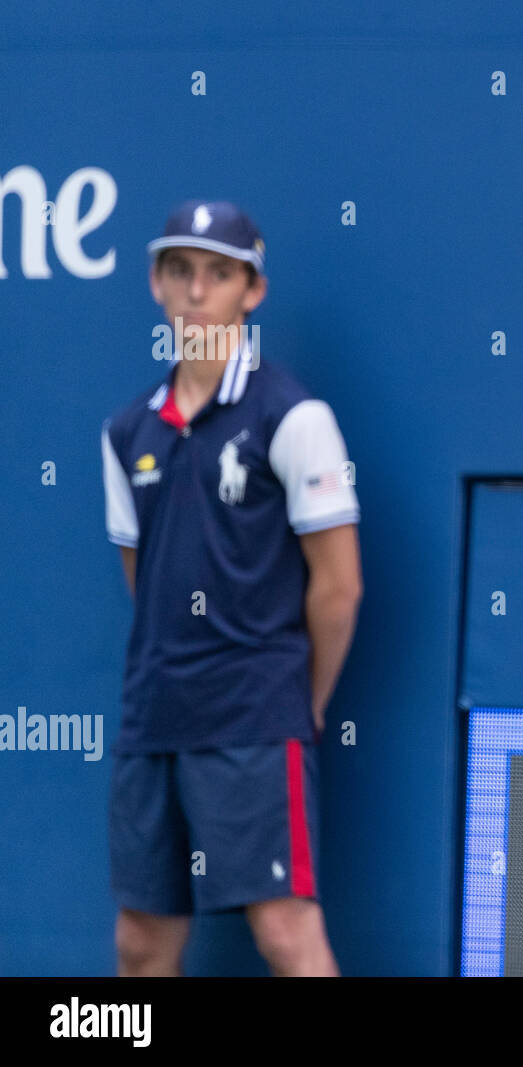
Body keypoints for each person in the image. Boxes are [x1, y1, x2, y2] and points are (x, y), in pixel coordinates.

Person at [100, 200, 363, 976]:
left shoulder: (294, 415)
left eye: (219, 273)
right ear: (155, 283)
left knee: (286, 933)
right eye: (180, 271)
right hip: (154, 717)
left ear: (253, 291)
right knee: (141, 945)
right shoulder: (126, 432)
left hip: (254, 714)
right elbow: (142, 582)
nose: (196, 291)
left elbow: (339, 586)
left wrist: (299, 700)